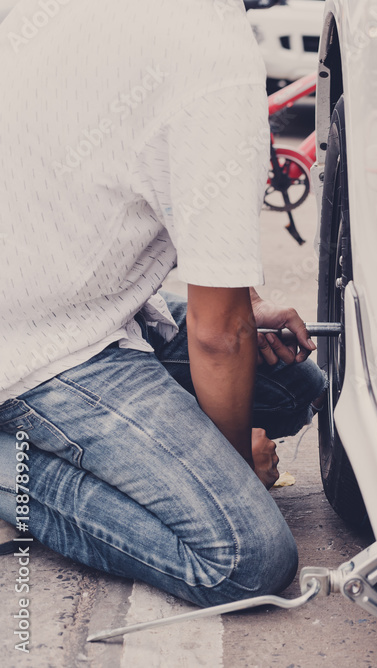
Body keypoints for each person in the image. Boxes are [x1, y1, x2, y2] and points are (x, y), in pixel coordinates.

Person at [0, 0, 325, 606]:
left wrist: (242, 300)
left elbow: (154, 181)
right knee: (247, 557)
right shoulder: (212, 55)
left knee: (293, 389)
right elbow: (215, 335)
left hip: (67, 297)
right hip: (37, 346)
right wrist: (236, 474)